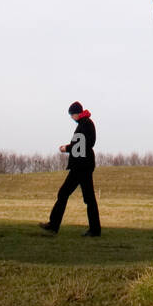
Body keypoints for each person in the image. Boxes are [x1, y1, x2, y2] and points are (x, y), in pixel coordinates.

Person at [39, 101, 101, 236]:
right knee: (87, 198)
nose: (72, 118)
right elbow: (81, 144)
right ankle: (95, 230)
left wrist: (66, 148)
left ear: (76, 113)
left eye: (72, 115)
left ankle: (54, 225)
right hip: (83, 166)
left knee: (65, 194)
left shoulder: (84, 124)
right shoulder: (86, 124)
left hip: (81, 167)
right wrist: (69, 147)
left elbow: (81, 145)